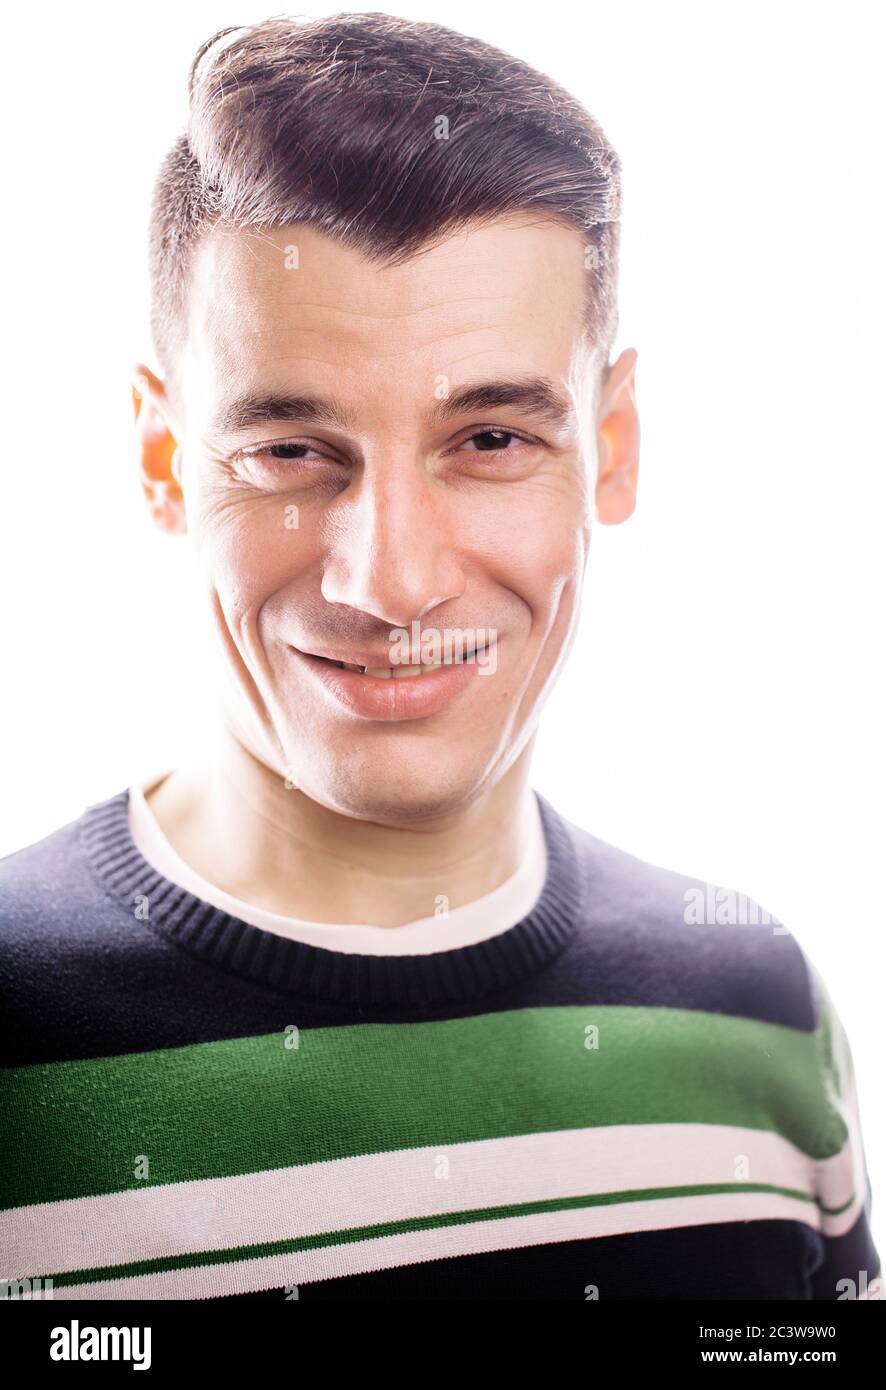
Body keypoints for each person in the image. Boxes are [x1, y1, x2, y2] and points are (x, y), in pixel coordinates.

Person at [0, 11, 879, 1301]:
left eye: (490, 440)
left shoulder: (757, 1011)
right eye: (291, 451)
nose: (392, 579)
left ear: (614, 446)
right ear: (160, 459)